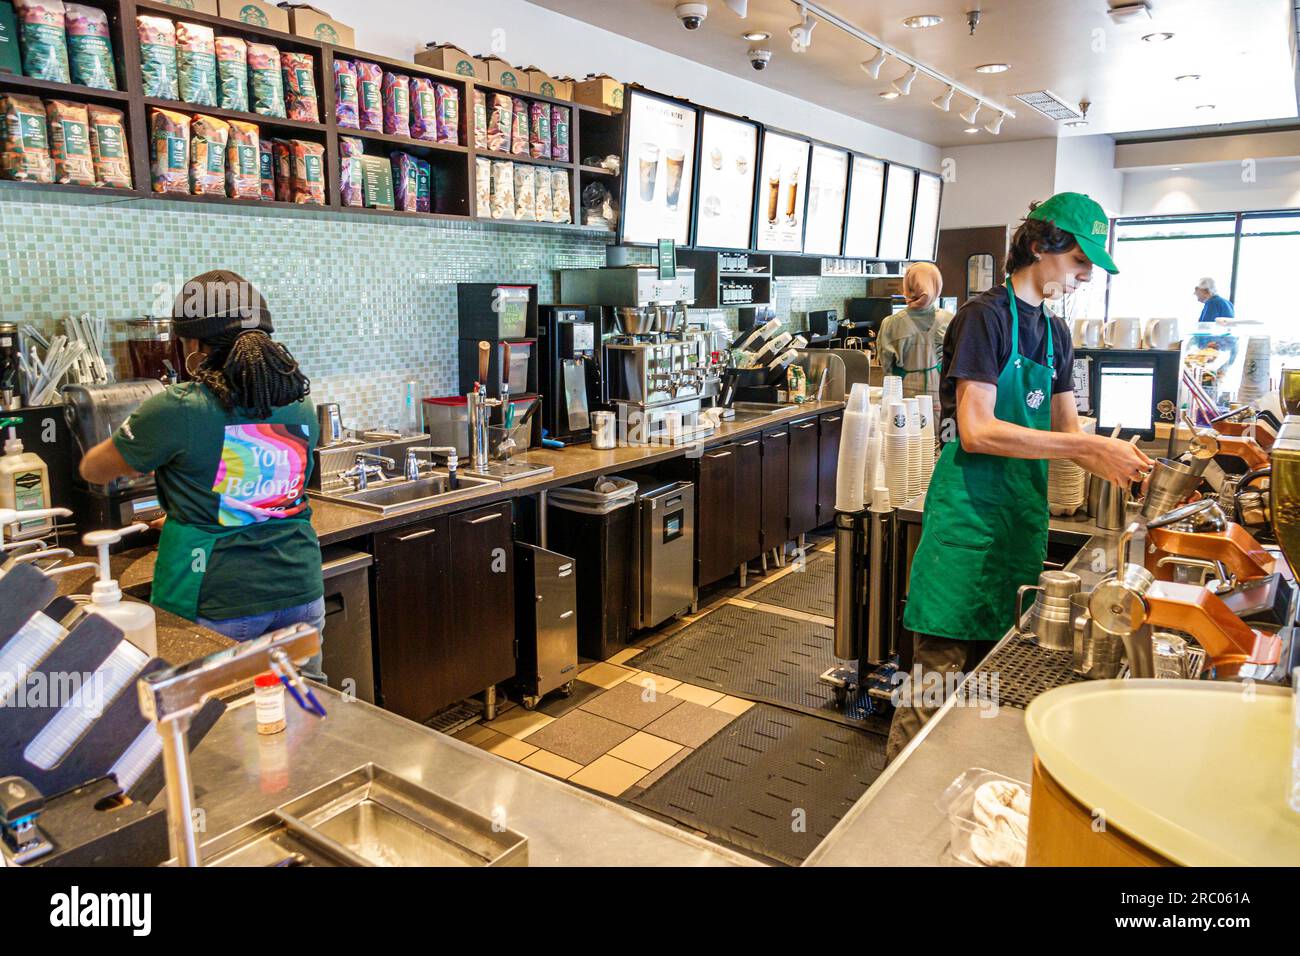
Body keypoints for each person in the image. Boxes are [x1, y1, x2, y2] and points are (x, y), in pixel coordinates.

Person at [886, 193, 1153, 761]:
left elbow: (1066, 433)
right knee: (934, 686)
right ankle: (885, 815)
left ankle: (955, 799)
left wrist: (1128, 467)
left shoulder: (1057, 335)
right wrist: (1087, 445)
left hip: (1016, 526)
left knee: (991, 682)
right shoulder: (982, 318)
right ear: (1040, 246)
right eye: (1081, 260)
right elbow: (978, 430)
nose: (1085, 275)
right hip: (966, 525)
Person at [80, 271, 326, 680]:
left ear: (193, 345)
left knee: (218, 724)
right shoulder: (298, 404)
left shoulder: (179, 407)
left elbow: (96, 469)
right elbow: (257, 492)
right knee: (300, 714)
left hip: (217, 595)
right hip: (299, 587)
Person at [876, 262, 954, 399]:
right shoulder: (950, 321)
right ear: (937, 287)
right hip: (941, 399)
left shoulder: (890, 323)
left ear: (907, 287)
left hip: (902, 399)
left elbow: (886, 368)